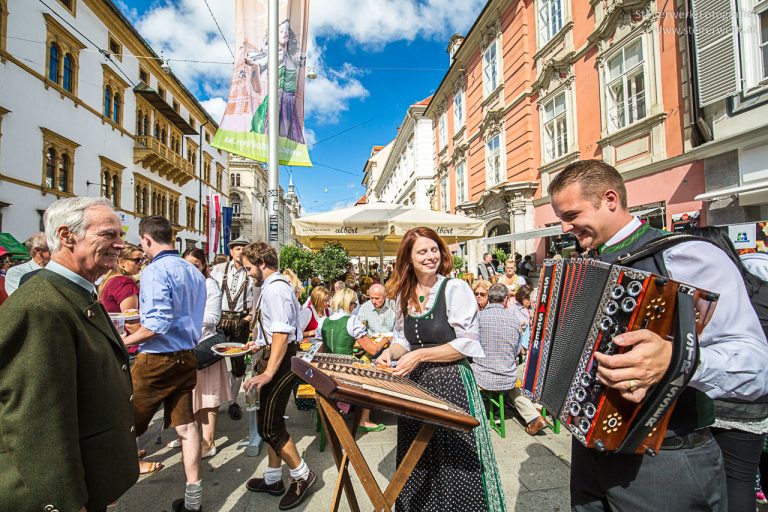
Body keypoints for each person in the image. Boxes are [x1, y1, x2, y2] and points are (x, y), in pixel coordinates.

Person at [548, 159, 768, 511]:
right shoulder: (587, 265)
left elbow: (758, 367)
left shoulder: (685, 255)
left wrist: (677, 361)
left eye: (571, 214)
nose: (564, 226)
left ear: (609, 199)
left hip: (665, 461)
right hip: (590, 455)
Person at [0, 197, 138, 511]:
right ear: (66, 236)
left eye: (120, 234)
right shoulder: (41, 305)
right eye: (109, 234)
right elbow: (37, 422)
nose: (120, 244)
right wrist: (65, 501)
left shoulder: (74, 293)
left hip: (89, 481)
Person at [377, 227, 506, 511]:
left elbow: (468, 344)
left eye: (434, 249)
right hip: (417, 387)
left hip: (452, 385)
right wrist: (389, 352)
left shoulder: (455, 288)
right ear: (409, 259)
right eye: (422, 251)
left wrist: (420, 355)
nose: (430, 256)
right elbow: (401, 339)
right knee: (418, 458)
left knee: (456, 460)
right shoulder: (404, 294)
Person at [123, 216, 207, 512]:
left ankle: (105, 496)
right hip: (186, 356)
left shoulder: (155, 270)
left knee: (124, 423)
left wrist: (122, 341)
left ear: (147, 240)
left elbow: (157, 323)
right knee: (187, 426)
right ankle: (193, 499)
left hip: (157, 359)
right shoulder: (193, 271)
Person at [687, 227, 768, 512]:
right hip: (752, 400)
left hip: (710, 395)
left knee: (707, 479)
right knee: (741, 479)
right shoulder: (761, 289)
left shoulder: (701, 296)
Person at [242, 242, 317, 510]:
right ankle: (274, 479)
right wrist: (257, 343)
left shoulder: (275, 289)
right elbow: (273, 330)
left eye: (250, 268)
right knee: (268, 420)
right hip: (274, 356)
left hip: (282, 362)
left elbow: (283, 335)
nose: (249, 273)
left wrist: (269, 372)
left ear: (262, 263)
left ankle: (303, 475)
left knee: (269, 427)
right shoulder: (273, 287)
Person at [474, 283, 548, 436]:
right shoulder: (514, 321)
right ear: (506, 299)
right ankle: (534, 416)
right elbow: (516, 351)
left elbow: (471, 347)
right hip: (507, 376)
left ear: (489, 298)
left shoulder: (478, 318)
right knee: (515, 380)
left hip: (483, 376)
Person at [184, 248, 231, 461]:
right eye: (187, 265)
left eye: (195, 265)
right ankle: (191, 435)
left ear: (203, 265)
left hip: (204, 346)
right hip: (184, 345)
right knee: (190, 395)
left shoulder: (209, 284)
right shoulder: (182, 284)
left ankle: (208, 441)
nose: (191, 269)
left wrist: (183, 317)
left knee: (208, 397)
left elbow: (212, 317)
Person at [318, 287, 385, 432]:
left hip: (328, 371)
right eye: (354, 303)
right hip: (346, 371)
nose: (355, 306)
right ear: (349, 303)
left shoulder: (323, 321)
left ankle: (344, 406)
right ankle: (364, 420)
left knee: (365, 364)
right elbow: (372, 349)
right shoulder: (351, 321)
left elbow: (321, 348)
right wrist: (384, 340)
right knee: (371, 378)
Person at [210, 236, 254, 422]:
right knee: (212, 361)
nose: (241, 252)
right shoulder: (218, 270)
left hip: (240, 320)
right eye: (237, 249)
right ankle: (213, 399)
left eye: (244, 249)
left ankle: (233, 401)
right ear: (231, 251)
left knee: (238, 363)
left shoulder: (252, 272)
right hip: (220, 319)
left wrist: (247, 319)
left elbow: (258, 300)